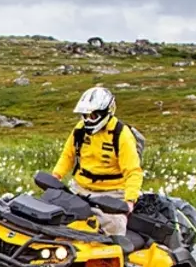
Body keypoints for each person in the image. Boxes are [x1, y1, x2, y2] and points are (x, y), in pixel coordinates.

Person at [51, 85, 143, 236]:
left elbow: (133, 171)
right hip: (79, 188)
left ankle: (114, 257)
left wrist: (130, 200)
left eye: (93, 116)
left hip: (112, 194)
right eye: (85, 115)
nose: (88, 120)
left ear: (106, 112)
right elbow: (68, 155)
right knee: (58, 217)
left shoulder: (122, 135)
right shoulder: (80, 129)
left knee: (114, 228)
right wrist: (56, 176)